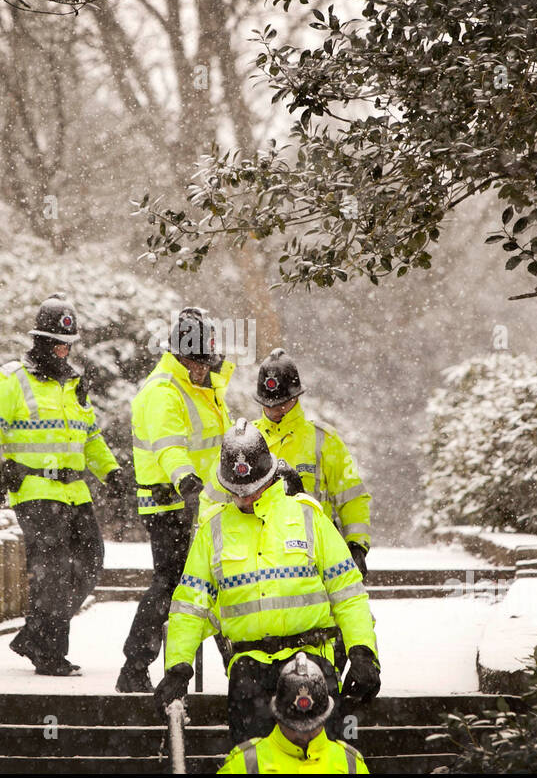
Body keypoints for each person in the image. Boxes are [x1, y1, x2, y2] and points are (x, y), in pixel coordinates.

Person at [155, 419, 381, 745]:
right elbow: (190, 606)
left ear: (269, 476)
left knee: (320, 761)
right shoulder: (214, 531)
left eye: (252, 489)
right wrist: (178, 668)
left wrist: (362, 652)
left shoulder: (308, 518)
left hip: (311, 660)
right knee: (251, 761)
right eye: (237, 492)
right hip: (248, 669)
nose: (245, 498)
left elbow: (348, 592)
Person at [0, 294, 130, 676]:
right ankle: (49, 654)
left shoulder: (75, 383)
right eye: (58, 343)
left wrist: (111, 472)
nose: (64, 350)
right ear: (40, 341)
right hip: (35, 490)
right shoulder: (13, 379)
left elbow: (89, 436)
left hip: (75, 491)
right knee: (54, 572)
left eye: (69, 344)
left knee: (90, 564)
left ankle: (34, 635)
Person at [116, 307, 234, 693]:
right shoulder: (163, 391)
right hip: (169, 505)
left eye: (205, 361)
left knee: (215, 582)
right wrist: (185, 478)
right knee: (172, 584)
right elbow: (170, 446)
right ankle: (135, 665)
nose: (200, 368)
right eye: (194, 361)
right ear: (178, 354)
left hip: (205, 504)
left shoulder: (205, 389)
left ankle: (239, 665)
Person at [253, 348, 373, 579]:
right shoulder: (247, 440)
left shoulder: (324, 440)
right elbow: (220, 501)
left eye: (281, 403)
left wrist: (357, 545)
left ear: (295, 398)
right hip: (260, 560)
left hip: (316, 557)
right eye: (268, 404)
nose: (275, 410)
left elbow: (353, 498)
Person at [218, 652, 368, 774]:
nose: (301, 736)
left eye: (311, 728)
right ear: (277, 718)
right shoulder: (243, 765)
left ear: (325, 719)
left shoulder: (351, 765)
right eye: (292, 727)